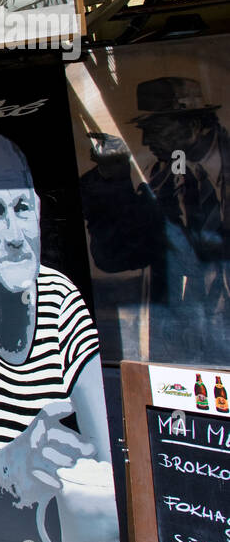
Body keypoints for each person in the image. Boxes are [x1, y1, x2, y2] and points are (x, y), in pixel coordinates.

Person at [0, 131, 122, 542]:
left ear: (39, 210)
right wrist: (14, 465)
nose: (15, 235)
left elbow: (107, 464)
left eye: (22, 208)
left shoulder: (62, 298)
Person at [79, 76, 229, 365]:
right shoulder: (161, 175)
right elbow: (114, 256)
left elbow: (196, 253)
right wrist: (113, 181)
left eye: (156, 130)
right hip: (172, 342)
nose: (146, 141)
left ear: (193, 125)